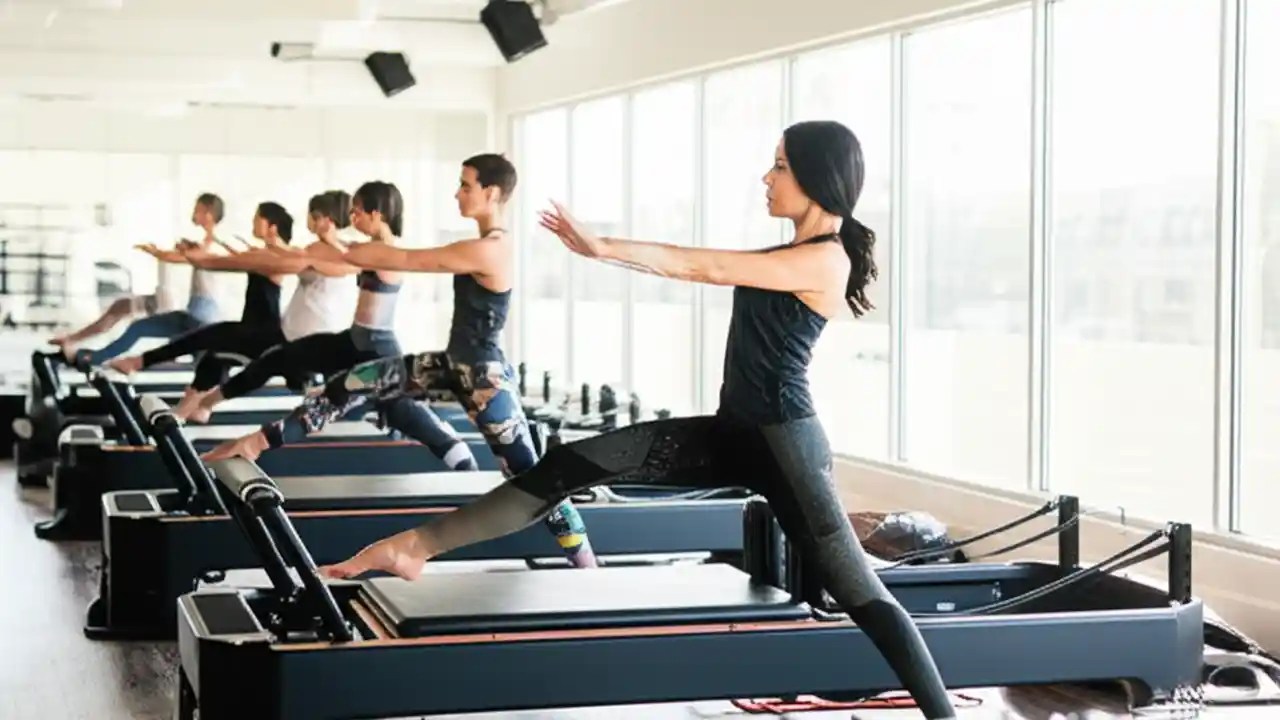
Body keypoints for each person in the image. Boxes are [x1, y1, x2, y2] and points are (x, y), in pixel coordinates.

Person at [210, 123, 957, 716]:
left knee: (863, 598)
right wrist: (604, 250)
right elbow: (711, 267)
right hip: (731, 429)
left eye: (780, 166)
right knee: (567, 466)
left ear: (819, 177)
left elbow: (702, 266)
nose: (766, 178)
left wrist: (602, 247)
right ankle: (413, 547)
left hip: (786, 445)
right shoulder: (793, 250)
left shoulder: (825, 260)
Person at [203, 153, 598, 569]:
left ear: (492, 193)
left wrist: (341, 250)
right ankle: (256, 443)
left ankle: (587, 565)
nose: (457, 194)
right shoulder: (483, 244)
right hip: (451, 364)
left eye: (466, 186)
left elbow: (409, 260)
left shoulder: (491, 249)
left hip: (485, 379)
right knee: (351, 383)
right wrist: (337, 251)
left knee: (532, 481)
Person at [189, 181, 478, 473]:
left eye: (358, 213)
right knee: (278, 357)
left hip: (377, 348)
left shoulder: (391, 251)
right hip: (353, 340)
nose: (352, 219)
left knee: (396, 408)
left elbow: (350, 257)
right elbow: (337, 255)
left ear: (377, 214)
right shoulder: (368, 248)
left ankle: (452, 448)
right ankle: (208, 402)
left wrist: (330, 242)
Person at [107, 193, 360, 414]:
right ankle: (191, 407)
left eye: (315, 216)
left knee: (213, 344)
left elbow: (250, 262)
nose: (311, 221)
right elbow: (271, 258)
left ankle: (183, 395)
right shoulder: (308, 251)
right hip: (281, 331)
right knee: (213, 353)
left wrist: (199, 260)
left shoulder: (324, 254)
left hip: (274, 334)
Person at [51, 193, 237, 365]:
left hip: (203, 321)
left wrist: (158, 252)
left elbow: (185, 258)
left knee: (181, 353)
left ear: (208, 213)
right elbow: (190, 255)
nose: (193, 213)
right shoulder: (205, 244)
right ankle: (92, 357)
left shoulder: (215, 247)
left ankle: (105, 360)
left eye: (198, 209)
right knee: (139, 328)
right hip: (192, 316)